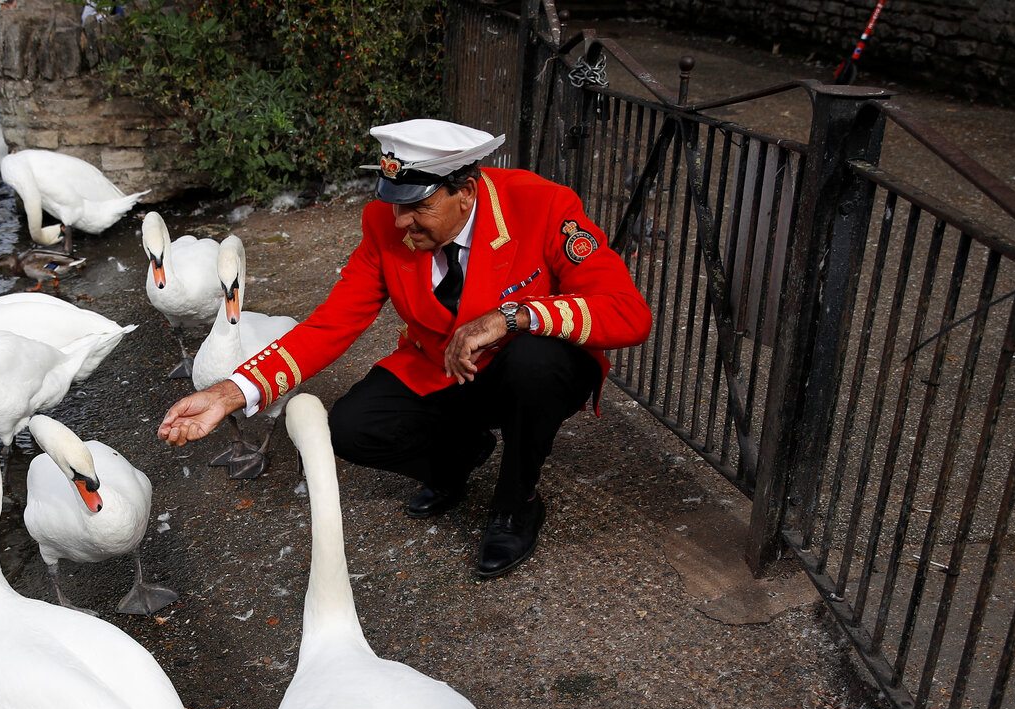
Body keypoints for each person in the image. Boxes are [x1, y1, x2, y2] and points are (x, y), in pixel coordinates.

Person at [158, 119, 650, 578]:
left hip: (527, 371)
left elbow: (630, 313)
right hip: (439, 367)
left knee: (535, 363)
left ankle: (515, 503)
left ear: (466, 192)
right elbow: (329, 325)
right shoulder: (384, 226)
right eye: (397, 203)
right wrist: (229, 393)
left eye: (419, 207)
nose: (401, 223)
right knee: (349, 428)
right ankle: (458, 458)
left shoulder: (542, 206)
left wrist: (514, 316)